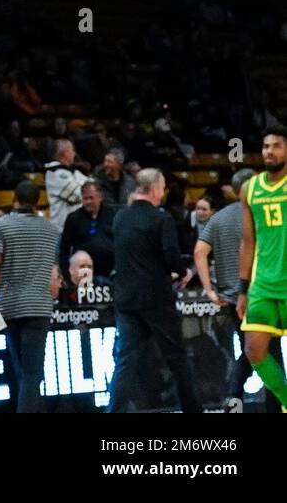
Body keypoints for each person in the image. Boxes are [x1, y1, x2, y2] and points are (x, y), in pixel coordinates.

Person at [108, 169, 202, 413]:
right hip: (156, 299)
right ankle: (193, 411)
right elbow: (171, 256)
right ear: (154, 189)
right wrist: (184, 273)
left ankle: (114, 412)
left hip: (126, 299)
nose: (164, 192)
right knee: (177, 360)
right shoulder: (161, 218)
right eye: (162, 187)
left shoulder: (119, 217)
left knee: (125, 362)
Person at [194, 168, 276, 411]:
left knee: (255, 352)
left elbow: (199, 252)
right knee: (263, 353)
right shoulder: (263, 214)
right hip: (260, 294)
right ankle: (248, 400)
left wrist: (209, 289)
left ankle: (236, 400)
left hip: (231, 299)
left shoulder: (218, 218)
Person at [0, 180, 61, 413]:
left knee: (22, 371)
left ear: (14, 197)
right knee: (31, 373)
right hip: (40, 307)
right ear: (38, 201)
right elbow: (53, 276)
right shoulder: (51, 230)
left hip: (8, 308)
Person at [237, 128, 287, 411]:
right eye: (266, 146)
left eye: (277, 146)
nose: (269, 151)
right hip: (263, 285)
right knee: (254, 350)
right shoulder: (250, 188)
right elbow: (248, 241)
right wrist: (243, 289)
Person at [60, 179, 116, 276]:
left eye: (91, 198)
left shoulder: (113, 215)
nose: (88, 201)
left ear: (100, 197)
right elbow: (64, 249)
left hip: (110, 274)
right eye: (85, 198)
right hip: (82, 276)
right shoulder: (73, 218)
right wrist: (66, 274)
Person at [45, 138, 89, 229]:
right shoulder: (54, 173)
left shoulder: (73, 172)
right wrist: (83, 186)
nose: (74, 153)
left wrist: (81, 186)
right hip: (61, 228)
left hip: (76, 226)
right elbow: (76, 196)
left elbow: (93, 186)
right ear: (65, 153)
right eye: (72, 150)